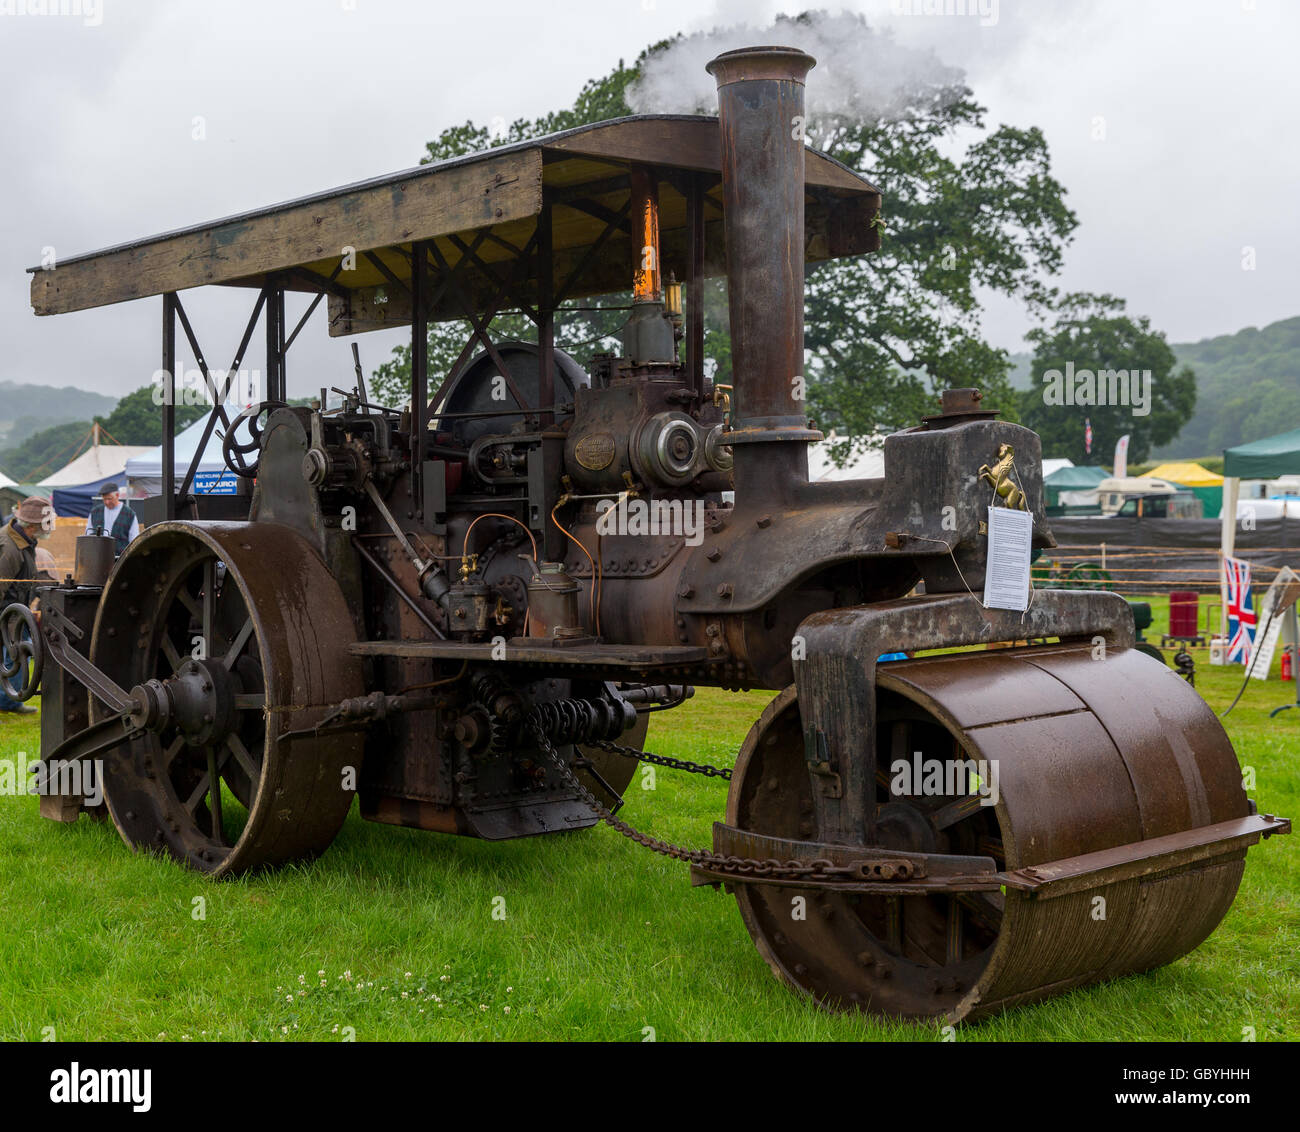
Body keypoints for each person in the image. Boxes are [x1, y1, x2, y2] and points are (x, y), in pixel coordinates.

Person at [0, 496, 49, 715]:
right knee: (16, 653)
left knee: (17, 653)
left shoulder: (23, 541)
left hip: (15, 611)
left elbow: (25, 577)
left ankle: (8, 702)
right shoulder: (9, 548)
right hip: (7, 612)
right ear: (33, 526)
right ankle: (7, 702)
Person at [86, 482, 139, 555]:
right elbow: (88, 536)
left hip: (119, 560)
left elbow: (134, 541)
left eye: (109, 499)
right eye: (104, 499)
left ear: (117, 495)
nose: (107, 502)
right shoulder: (95, 512)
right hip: (97, 558)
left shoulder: (130, 514)